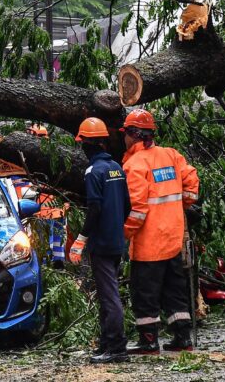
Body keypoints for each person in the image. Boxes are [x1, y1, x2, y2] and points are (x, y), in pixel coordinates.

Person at [121, 107, 200, 354]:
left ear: (133, 135)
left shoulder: (134, 164)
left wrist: (124, 234)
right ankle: (183, 338)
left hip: (148, 243)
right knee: (175, 291)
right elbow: (192, 187)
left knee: (145, 293)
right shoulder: (171, 155)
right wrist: (179, 205)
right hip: (173, 238)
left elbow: (137, 209)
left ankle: (149, 341)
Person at [66, 117, 130, 364]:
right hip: (116, 241)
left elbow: (94, 208)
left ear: (87, 144)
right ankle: (106, 343)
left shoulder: (93, 172)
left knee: (109, 296)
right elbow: (127, 205)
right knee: (108, 293)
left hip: (102, 244)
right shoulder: (116, 167)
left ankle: (116, 347)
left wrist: (82, 238)